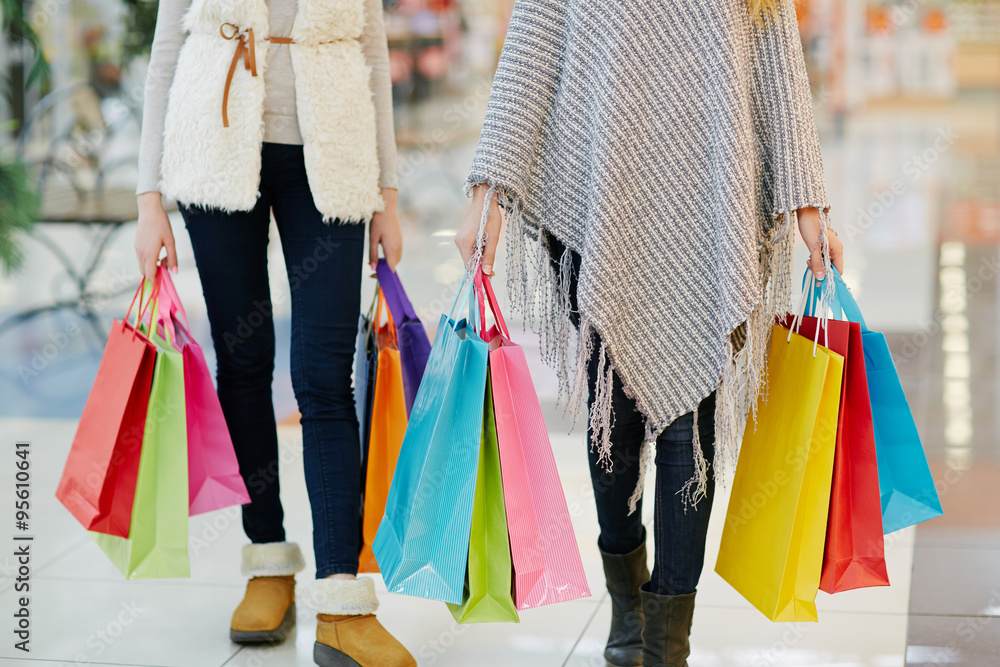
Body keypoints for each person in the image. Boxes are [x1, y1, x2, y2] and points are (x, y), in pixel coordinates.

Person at [455, 1, 845, 666]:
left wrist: (809, 207)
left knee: (689, 424)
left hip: (711, 202)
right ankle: (627, 600)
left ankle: (668, 644)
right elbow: (531, 45)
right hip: (600, 201)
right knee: (616, 429)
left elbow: (778, 64)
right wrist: (486, 193)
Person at [133, 0, 415, 665]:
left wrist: (388, 194)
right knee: (244, 360)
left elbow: (373, 56)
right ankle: (268, 561)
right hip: (216, 146)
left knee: (324, 374)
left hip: (332, 157)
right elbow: (165, 57)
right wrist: (149, 200)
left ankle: (342, 596)